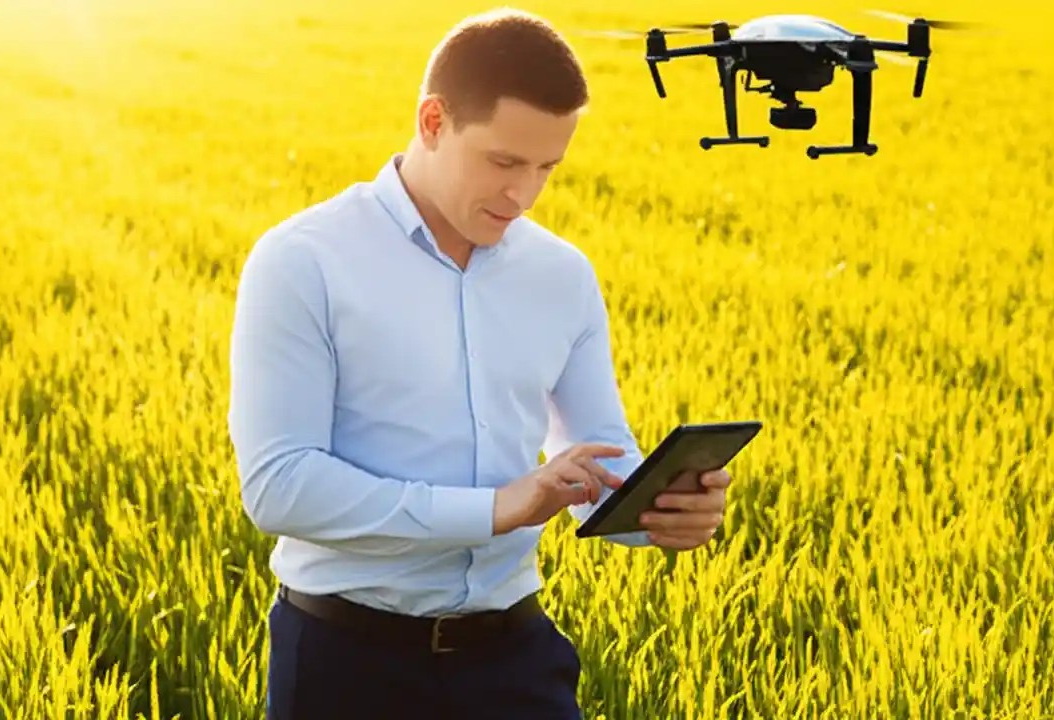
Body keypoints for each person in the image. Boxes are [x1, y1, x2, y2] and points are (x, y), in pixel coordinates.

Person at [227, 8, 732, 720]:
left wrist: (658, 509)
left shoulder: (561, 274)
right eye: (502, 161)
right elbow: (280, 488)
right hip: (345, 665)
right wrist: (497, 510)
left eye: (545, 168)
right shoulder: (304, 260)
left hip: (515, 659)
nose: (522, 194)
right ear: (433, 121)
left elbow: (601, 453)